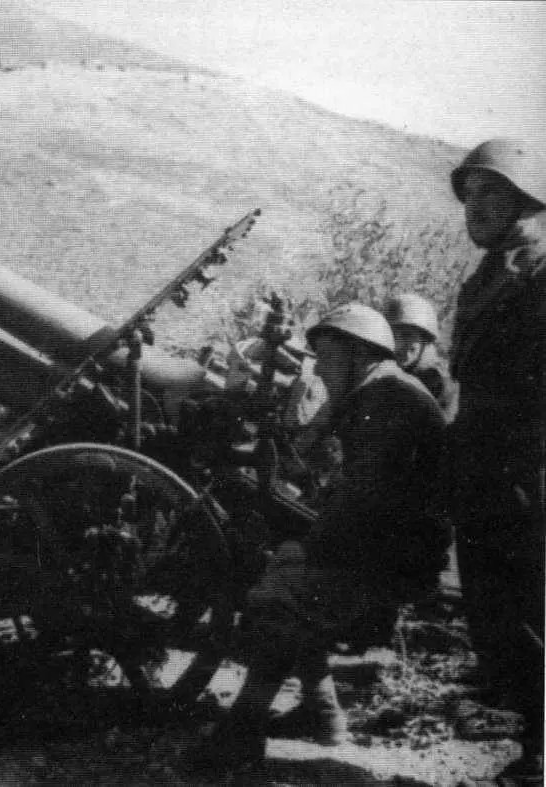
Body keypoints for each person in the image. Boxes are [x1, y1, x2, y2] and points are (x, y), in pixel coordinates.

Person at [192, 303, 448, 771]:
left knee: (283, 595)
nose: (321, 371)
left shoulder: (387, 397)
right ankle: (323, 714)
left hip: (395, 554)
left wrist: (310, 548)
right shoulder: (377, 389)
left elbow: (363, 498)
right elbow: (331, 475)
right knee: (288, 574)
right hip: (389, 541)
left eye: (328, 358)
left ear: (358, 353)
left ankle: (241, 735)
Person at [447, 138, 545, 783]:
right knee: (496, 609)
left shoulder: (539, 271)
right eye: (471, 194)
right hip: (486, 464)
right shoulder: (490, 273)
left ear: (527, 199)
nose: (476, 207)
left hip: (529, 465)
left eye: (493, 192)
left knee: (534, 606)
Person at [382, 292, 458, 422]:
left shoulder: (439, 381)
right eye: (393, 336)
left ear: (425, 339)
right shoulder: (395, 371)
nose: (398, 345)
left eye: (407, 336)